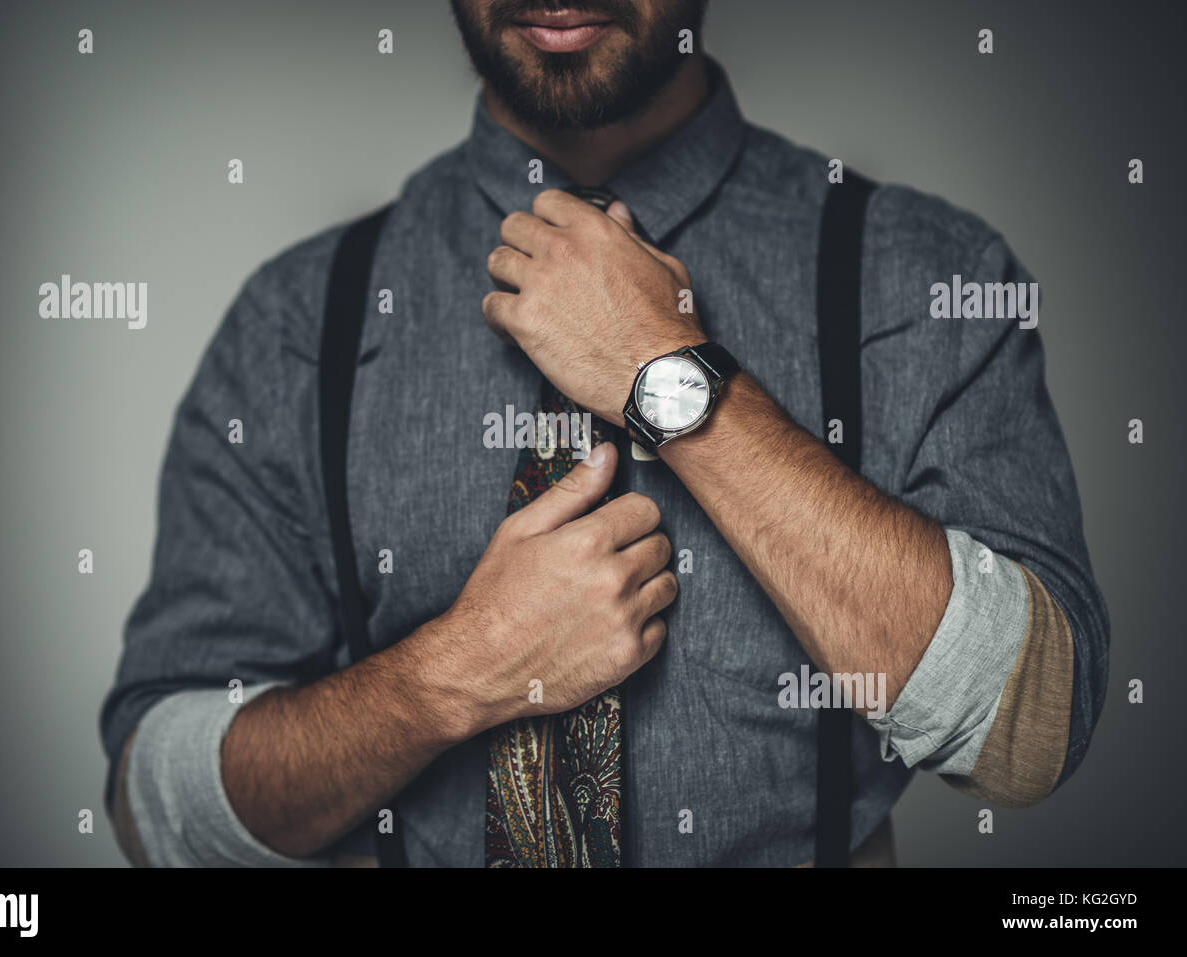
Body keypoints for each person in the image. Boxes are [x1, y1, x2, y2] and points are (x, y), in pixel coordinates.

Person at [99, 0, 1109, 867]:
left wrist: (662, 368)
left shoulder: (918, 274)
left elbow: (1032, 727)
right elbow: (155, 803)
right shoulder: (300, 316)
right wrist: (458, 671)